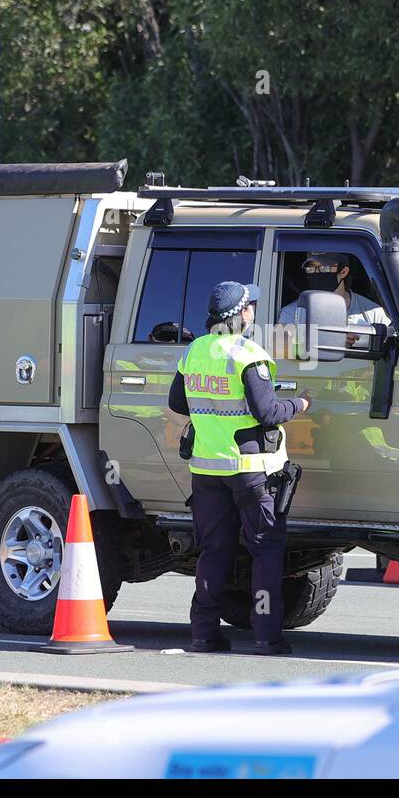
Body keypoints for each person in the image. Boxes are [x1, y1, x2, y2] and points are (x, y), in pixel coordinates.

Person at [167, 281, 310, 655]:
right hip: (249, 469)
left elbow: (179, 402)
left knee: (213, 550)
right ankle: (266, 636)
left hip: (206, 468)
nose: (253, 313)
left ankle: (203, 634)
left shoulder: (196, 349)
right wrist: (300, 404)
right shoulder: (247, 354)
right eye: (251, 308)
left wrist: (211, 414)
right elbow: (268, 413)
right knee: (265, 548)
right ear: (242, 314)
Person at [276, 252, 391, 342]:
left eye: (324, 268)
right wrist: (331, 340)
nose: (316, 273)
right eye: (311, 268)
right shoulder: (294, 311)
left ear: (344, 272)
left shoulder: (373, 313)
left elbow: (392, 349)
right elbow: (278, 346)